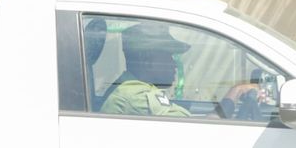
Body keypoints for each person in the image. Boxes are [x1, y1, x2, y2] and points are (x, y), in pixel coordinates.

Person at [100, 22, 261, 118]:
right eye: (168, 56)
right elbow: (205, 129)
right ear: (146, 59)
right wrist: (237, 91)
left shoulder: (130, 87)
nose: (174, 64)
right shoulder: (136, 97)